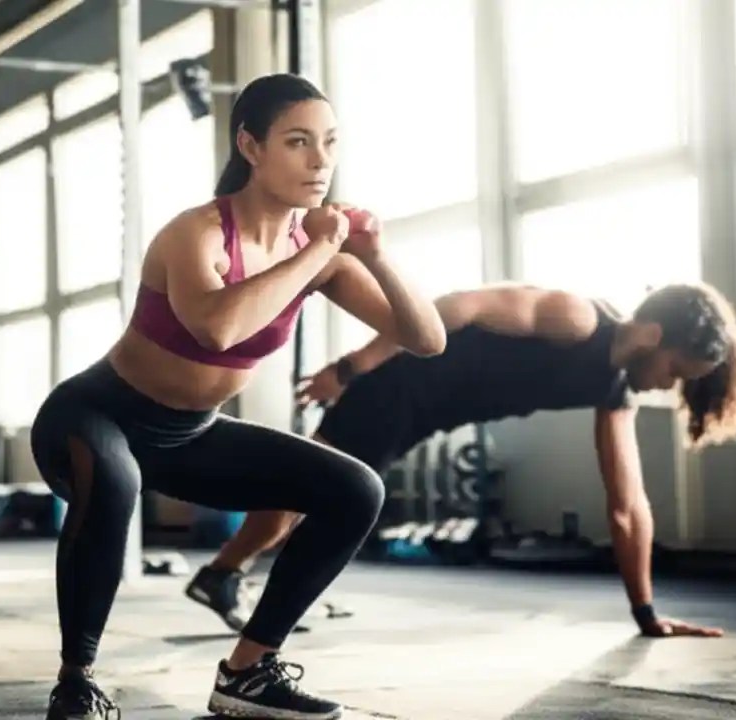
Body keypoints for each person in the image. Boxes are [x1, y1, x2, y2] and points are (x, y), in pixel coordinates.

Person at [29, 73, 447, 720]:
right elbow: (217, 326)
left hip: (190, 435)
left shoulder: (319, 252)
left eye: (329, 144)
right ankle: (76, 680)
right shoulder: (194, 232)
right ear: (250, 147)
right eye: (298, 142)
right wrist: (322, 249)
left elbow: (426, 338)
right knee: (114, 485)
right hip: (95, 415)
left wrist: (378, 257)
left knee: (355, 489)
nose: (320, 162)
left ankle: (247, 671)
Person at [185, 282, 736, 640]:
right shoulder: (578, 319)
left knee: (300, 496)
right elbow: (457, 307)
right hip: (395, 386)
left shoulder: (613, 388)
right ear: (653, 335)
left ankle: (221, 575)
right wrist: (354, 366)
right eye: (674, 372)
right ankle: (239, 606)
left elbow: (627, 504)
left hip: (418, 412)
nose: (666, 387)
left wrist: (646, 613)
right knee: (316, 499)